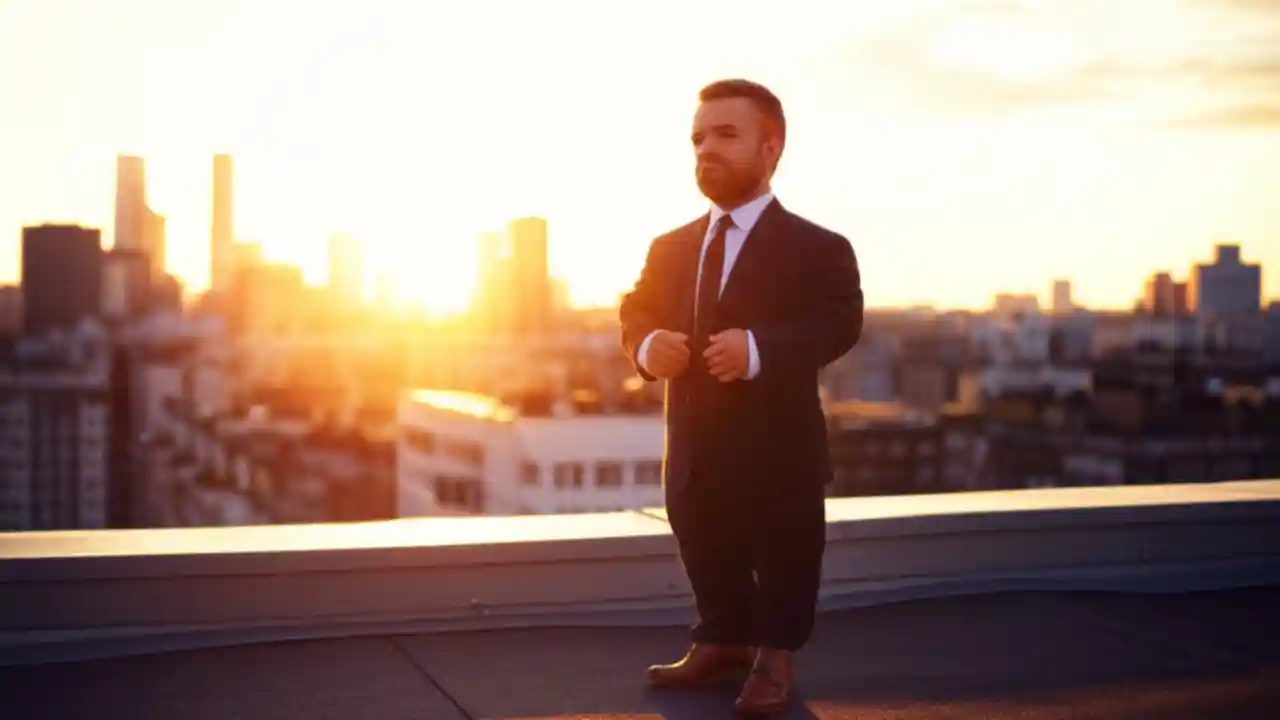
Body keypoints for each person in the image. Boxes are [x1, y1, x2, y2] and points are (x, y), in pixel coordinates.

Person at [619, 78, 864, 714]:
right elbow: (636, 309)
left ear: (770, 148)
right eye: (698, 137)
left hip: (777, 448)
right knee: (702, 536)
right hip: (692, 442)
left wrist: (757, 349)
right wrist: (647, 345)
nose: (706, 148)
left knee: (784, 546)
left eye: (726, 134)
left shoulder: (818, 247)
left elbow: (839, 324)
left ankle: (774, 658)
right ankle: (722, 641)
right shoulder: (669, 247)